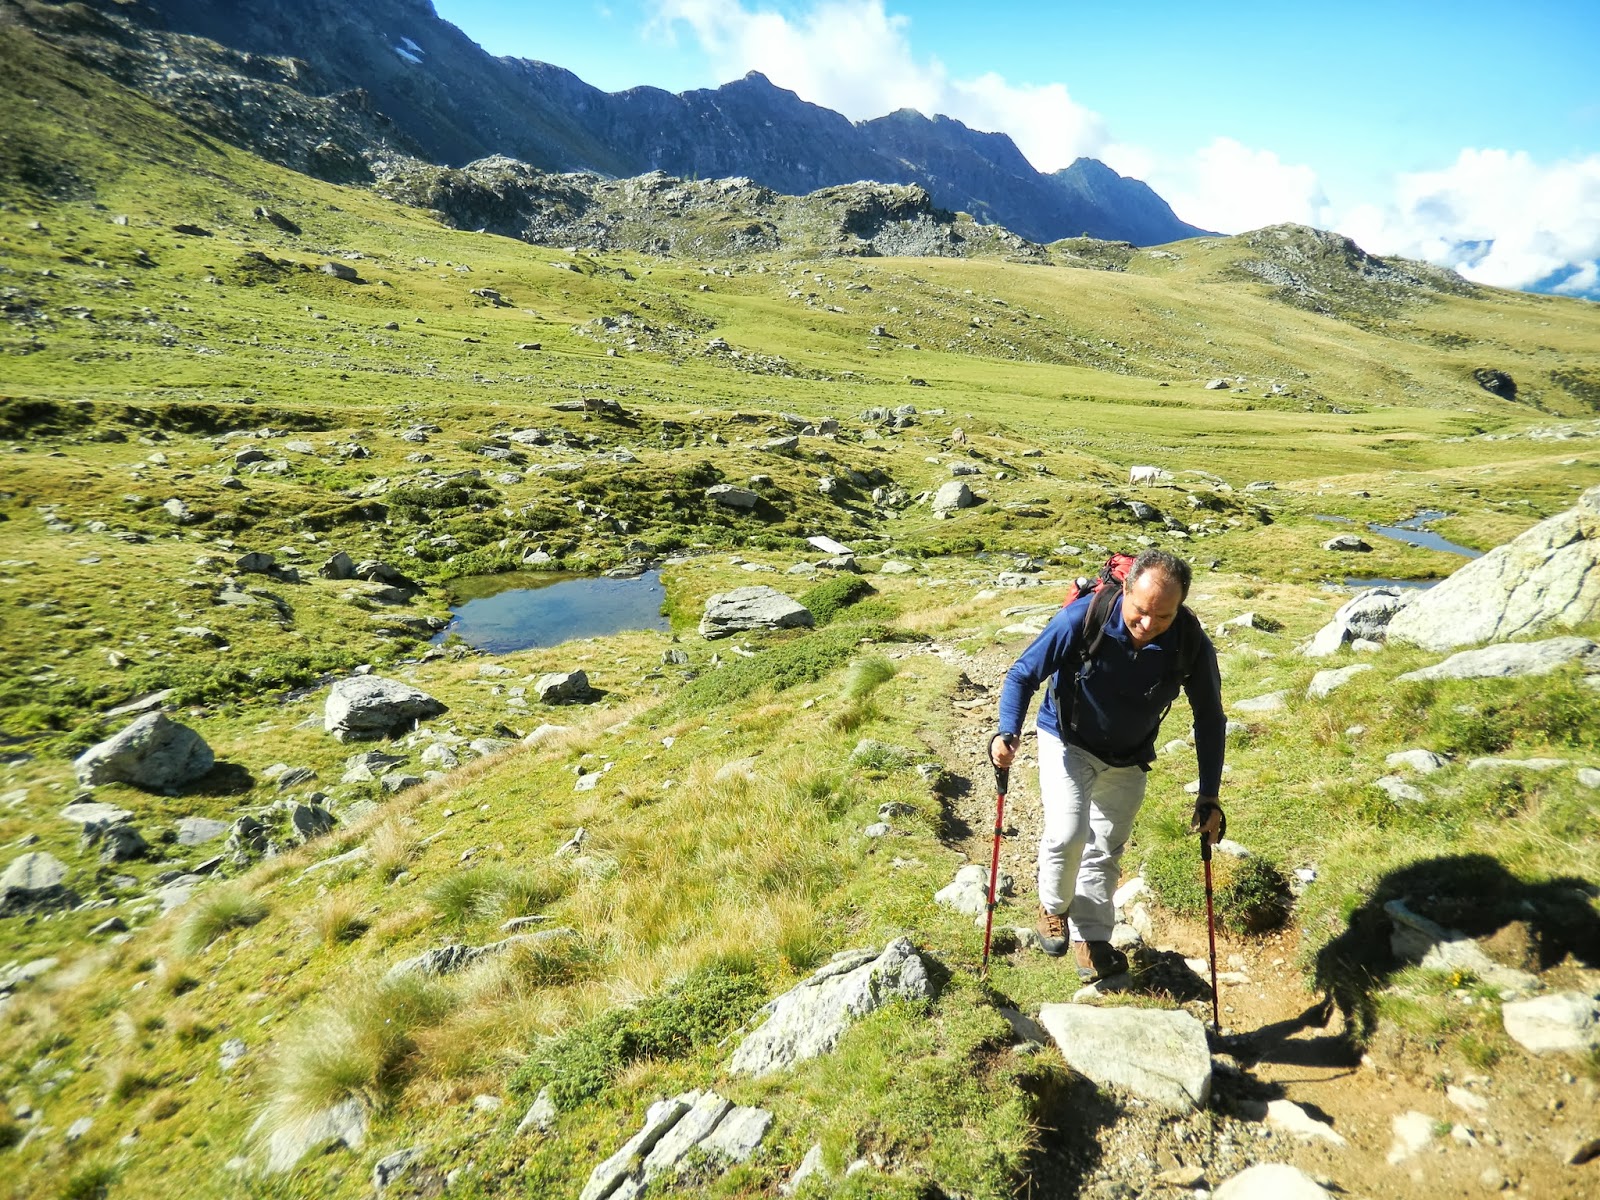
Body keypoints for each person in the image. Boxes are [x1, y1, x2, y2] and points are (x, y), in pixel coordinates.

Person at [990, 548, 1225, 982]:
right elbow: (1024, 673)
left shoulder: (1190, 641)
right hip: (1067, 738)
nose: (1148, 626)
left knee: (1105, 847)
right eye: (1140, 611)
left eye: (1164, 617)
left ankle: (1091, 939)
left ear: (1181, 608)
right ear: (1126, 592)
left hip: (1130, 755)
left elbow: (1210, 716)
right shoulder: (1084, 618)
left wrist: (1209, 794)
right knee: (1068, 833)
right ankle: (1053, 907)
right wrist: (1007, 730)